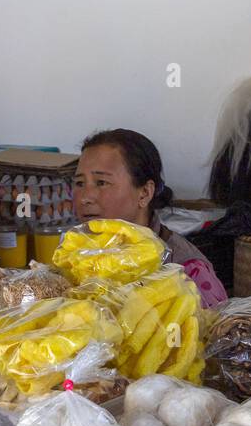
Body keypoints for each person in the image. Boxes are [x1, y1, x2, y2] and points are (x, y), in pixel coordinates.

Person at [73, 128, 227, 307]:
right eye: (79, 183)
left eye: (101, 183)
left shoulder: (185, 270)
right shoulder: (76, 257)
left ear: (145, 193)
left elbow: (212, 330)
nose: (85, 197)